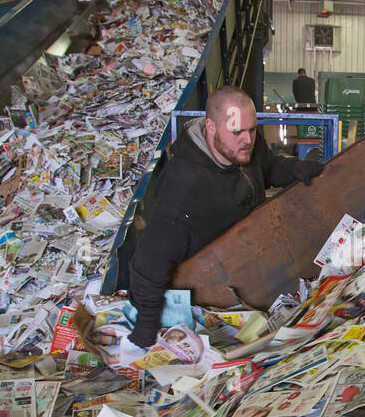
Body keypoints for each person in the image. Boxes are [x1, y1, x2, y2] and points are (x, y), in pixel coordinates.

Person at [128, 85, 322, 347]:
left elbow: (267, 168)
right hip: (214, 290)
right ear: (211, 127)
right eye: (237, 132)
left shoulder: (245, 149)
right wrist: (146, 325)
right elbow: (151, 261)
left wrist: (295, 169)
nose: (247, 140)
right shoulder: (184, 184)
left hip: (254, 264)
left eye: (252, 130)